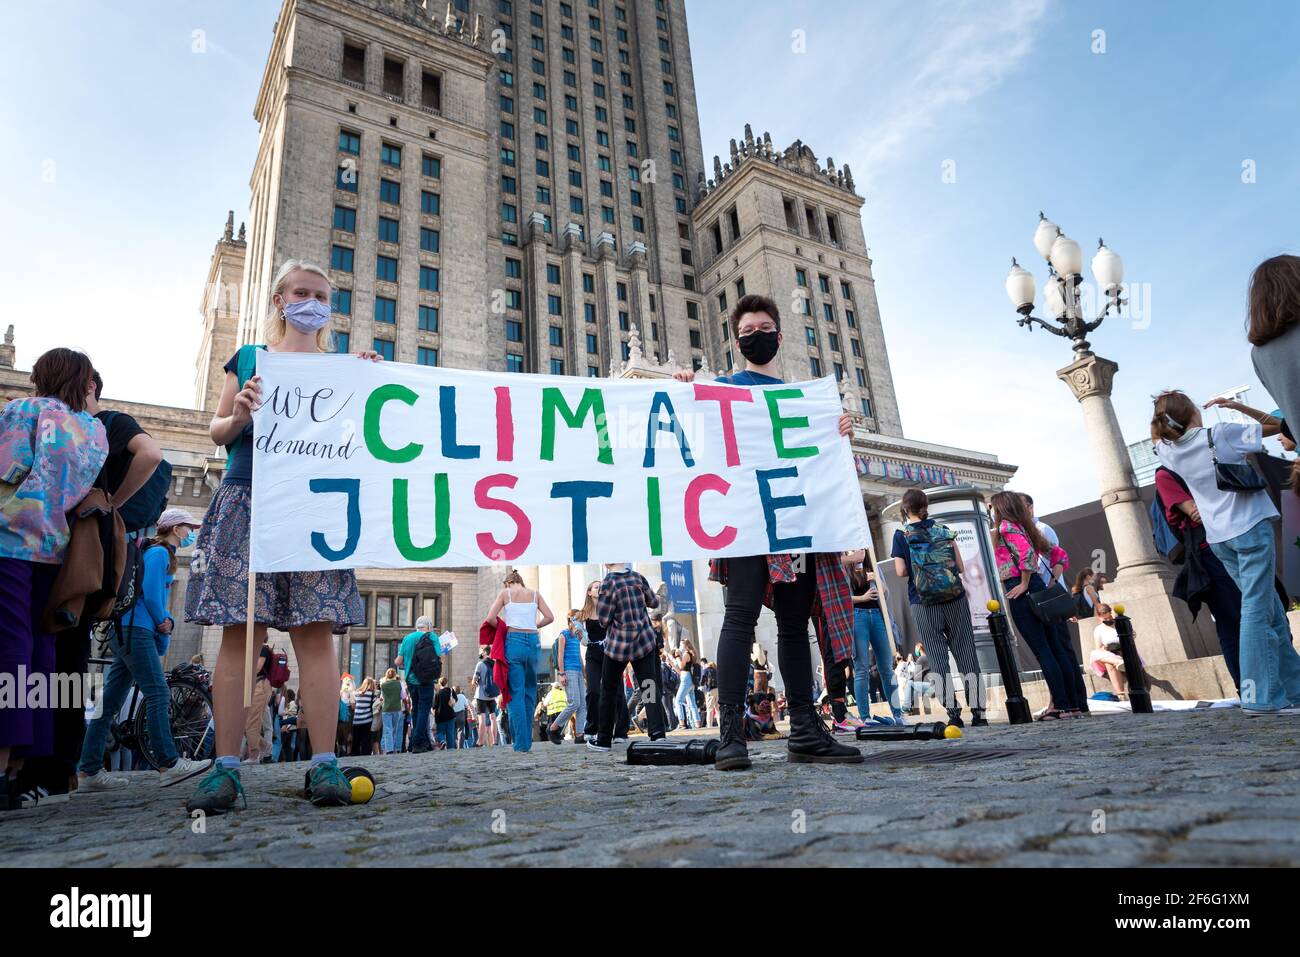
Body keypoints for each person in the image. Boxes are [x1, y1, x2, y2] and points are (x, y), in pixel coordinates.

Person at [183, 259, 377, 814]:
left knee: (315, 637)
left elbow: (362, 435)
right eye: (301, 292)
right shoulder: (248, 359)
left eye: (321, 295)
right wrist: (240, 413)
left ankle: (323, 765)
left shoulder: (341, 367)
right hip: (248, 500)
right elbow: (217, 430)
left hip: (312, 506)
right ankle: (225, 769)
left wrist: (369, 378)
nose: (311, 301)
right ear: (279, 300)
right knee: (240, 638)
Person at [672, 294, 861, 770]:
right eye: (747, 329)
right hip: (745, 523)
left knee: (795, 626)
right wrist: (681, 391)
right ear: (737, 342)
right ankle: (732, 734)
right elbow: (689, 437)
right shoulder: (723, 389)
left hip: (793, 525)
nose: (757, 334)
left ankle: (804, 730)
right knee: (740, 619)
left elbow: (816, 462)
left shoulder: (802, 401)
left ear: (778, 334)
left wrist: (837, 431)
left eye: (765, 326)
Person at [21, 368, 168, 805]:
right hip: (65, 549)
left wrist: (111, 503)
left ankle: (55, 770)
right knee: (62, 657)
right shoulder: (72, 425)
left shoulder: (108, 423)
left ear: (87, 388)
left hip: (81, 552)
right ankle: (62, 767)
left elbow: (151, 454)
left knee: (64, 655)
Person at [1, 349, 109, 810]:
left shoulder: (22, 410)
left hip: (7, 538)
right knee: (41, 648)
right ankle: (19, 765)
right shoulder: (94, 431)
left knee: (8, 647)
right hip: (52, 546)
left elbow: (6, 469)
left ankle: (2, 755)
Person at [1151, 390, 1300, 716]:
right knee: (1257, 611)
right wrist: (1234, 406)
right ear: (1191, 411)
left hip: (1220, 539)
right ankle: (1259, 696)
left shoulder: (1166, 451)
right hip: (1249, 527)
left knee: (1270, 611)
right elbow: (1281, 426)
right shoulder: (1221, 434)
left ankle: (1295, 688)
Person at [76, 508, 211, 790]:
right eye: (189, 527)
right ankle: (168, 762)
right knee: (158, 692)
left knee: (110, 703)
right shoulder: (161, 553)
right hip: (136, 630)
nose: (191, 533)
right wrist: (164, 619)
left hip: (123, 629)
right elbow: (151, 593)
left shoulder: (152, 550)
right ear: (176, 529)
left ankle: (88, 769)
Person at [891, 488, 987, 727]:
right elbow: (961, 567)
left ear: (905, 508)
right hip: (955, 599)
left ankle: (953, 714)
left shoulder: (901, 534)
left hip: (923, 603)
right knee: (966, 653)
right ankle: (978, 712)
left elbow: (901, 571)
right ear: (926, 506)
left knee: (936, 658)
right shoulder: (944, 531)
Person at [989, 490, 1087, 719]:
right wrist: (1051, 579)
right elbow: (1059, 555)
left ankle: (1060, 705)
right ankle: (1071, 705)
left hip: (1021, 590)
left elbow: (1026, 557)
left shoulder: (1006, 529)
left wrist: (1023, 583)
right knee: (1054, 648)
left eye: (992, 508)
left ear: (1000, 509)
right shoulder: (1026, 528)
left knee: (1043, 650)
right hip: (1039, 588)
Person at [1153, 445, 1243, 692]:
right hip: (1209, 552)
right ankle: (1248, 688)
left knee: (1261, 613)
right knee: (1231, 620)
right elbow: (1194, 512)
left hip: (1235, 544)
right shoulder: (1167, 473)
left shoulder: (1203, 462)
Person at [588, 562, 666, 752]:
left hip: (619, 644)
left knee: (608, 689)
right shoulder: (638, 577)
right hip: (643, 640)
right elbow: (654, 603)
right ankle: (657, 734)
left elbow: (604, 619)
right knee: (649, 686)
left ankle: (604, 740)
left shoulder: (608, 583)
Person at [484, 570, 555, 753]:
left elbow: (490, 618)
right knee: (530, 691)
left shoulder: (505, 594)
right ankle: (526, 741)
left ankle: (521, 743)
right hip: (532, 642)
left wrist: (503, 628)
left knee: (516, 692)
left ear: (508, 584)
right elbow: (550, 617)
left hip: (513, 641)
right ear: (521, 582)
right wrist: (534, 626)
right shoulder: (534, 594)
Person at [844, 549, 906, 724]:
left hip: (878, 615)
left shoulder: (872, 566)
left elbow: (885, 594)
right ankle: (865, 717)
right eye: (856, 548)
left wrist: (877, 581)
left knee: (886, 667)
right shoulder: (845, 567)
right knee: (862, 668)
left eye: (862, 548)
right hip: (858, 616)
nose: (860, 552)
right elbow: (843, 598)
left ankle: (898, 714)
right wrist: (862, 597)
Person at [578, 580, 628, 744]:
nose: (600, 589)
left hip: (611, 653)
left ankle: (620, 732)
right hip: (593, 654)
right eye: (596, 587)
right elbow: (581, 638)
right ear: (589, 592)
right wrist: (580, 634)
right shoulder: (582, 614)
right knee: (593, 690)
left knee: (618, 691)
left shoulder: (610, 609)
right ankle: (591, 729)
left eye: (602, 587)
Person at [395, 615, 442, 753]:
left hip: (411, 680)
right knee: (424, 711)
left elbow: (398, 662)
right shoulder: (432, 637)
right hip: (426, 679)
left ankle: (416, 742)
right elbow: (438, 654)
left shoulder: (407, 638)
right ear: (428, 626)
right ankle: (417, 742)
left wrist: (410, 661)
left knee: (415, 710)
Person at [548, 610, 587, 743]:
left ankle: (580, 734)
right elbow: (560, 656)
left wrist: (585, 672)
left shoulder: (577, 636)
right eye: (578, 619)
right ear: (571, 620)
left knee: (583, 704)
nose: (580, 622)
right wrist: (562, 674)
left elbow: (579, 657)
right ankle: (553, 728)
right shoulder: (563, 635)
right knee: (574, 703)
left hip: (578, 671)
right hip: (568, 671)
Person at [1087, 604, 1128, 697]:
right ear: (1099, 617)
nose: (1108, 620)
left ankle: (1120, 694)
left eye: (1109, 617)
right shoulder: (1098, 629)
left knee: (1109, 664)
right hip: (1108, 654)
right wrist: (1105, 647)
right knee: (1094, 653)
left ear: (1111, 614)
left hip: (1122, 652)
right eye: (1105, 619)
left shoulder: (1119, 624)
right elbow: (1098, 649)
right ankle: (1118, 662)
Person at [471, 650, 500, 746]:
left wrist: (475, 682)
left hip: (481, 695)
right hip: (492, 696)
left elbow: (474, 680)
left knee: (482, 719)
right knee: (493, 718)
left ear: (485, 653)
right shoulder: (495, 664)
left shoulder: (480, 664)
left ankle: (480, 742)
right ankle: (495, 741)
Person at [350, 677, 379, 757]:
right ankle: (365, 755)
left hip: (356, 720)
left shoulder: (356, 693)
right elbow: (374, 706)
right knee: (366, 740)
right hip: (367, 720)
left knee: (356, 740)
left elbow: (353, 706)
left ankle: (354, 754)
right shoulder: (372, 694)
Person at [379, 668, 403, 754]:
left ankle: (389, 749)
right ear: (395, 674)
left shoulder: (383, 685)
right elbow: (403, 696)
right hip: (397, 708)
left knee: (388, 729)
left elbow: (382, 697)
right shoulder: (399, 684)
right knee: (395, 729)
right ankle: (394, 747)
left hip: (386, 709)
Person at [432, 678, 456, 750]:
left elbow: (434, 706)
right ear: (446, 683)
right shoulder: (451, 690)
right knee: (450, 732)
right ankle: (451, 748)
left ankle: (442, 741)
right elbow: (455, 700)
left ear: (439, 683)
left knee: (440, 732)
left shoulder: (438, 693)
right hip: (450, 715)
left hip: (440, 716)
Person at [700, 657, 719, 727]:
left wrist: (701, 684)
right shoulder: (716, 671)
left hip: (710, 690)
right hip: (717, 690)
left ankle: (709, 726)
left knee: (709, 709)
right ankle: (720, 724)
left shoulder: (706, 670)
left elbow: (702, 680)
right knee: (717, 708)